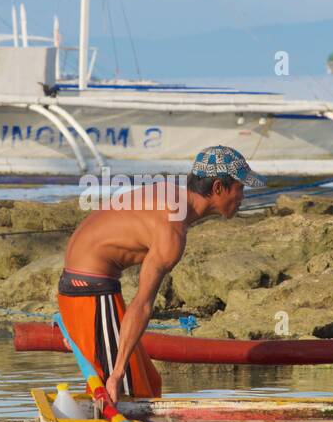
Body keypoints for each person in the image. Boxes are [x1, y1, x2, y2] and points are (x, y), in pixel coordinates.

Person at [58, 145, 264, 402]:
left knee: (151, 383)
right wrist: (118, 371)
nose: (243, 197)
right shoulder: (172, 232)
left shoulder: (172, 193)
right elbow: (143, 304)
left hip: (86, 284)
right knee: (126, 392)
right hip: (88, 289)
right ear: (219, 188)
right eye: (241, 188)